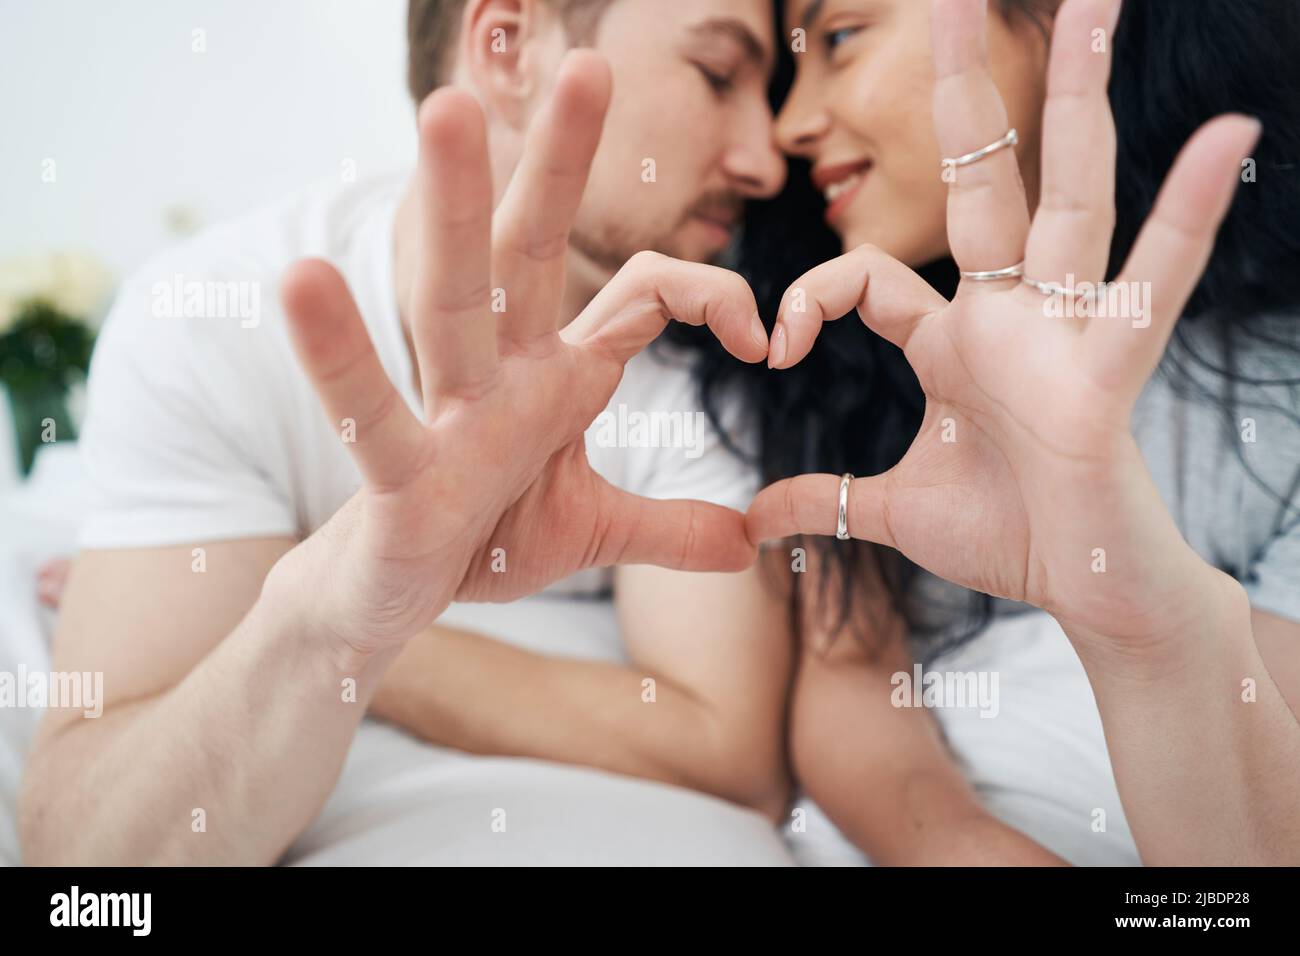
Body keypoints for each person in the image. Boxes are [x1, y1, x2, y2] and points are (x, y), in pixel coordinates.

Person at [19, 0, 797, 866]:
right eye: (718, 74)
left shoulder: (715, 350)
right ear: (507, 48)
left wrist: (331, 609)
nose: (768, 159)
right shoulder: (210, 327)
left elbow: (728, 751)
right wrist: (338, 613)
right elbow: (87, 863)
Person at [712, 0, 1300, 864]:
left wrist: (1145, 633)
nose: (790, 126)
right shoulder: (833, 340)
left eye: (839, 37)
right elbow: (848, 680)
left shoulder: (1273, 369)